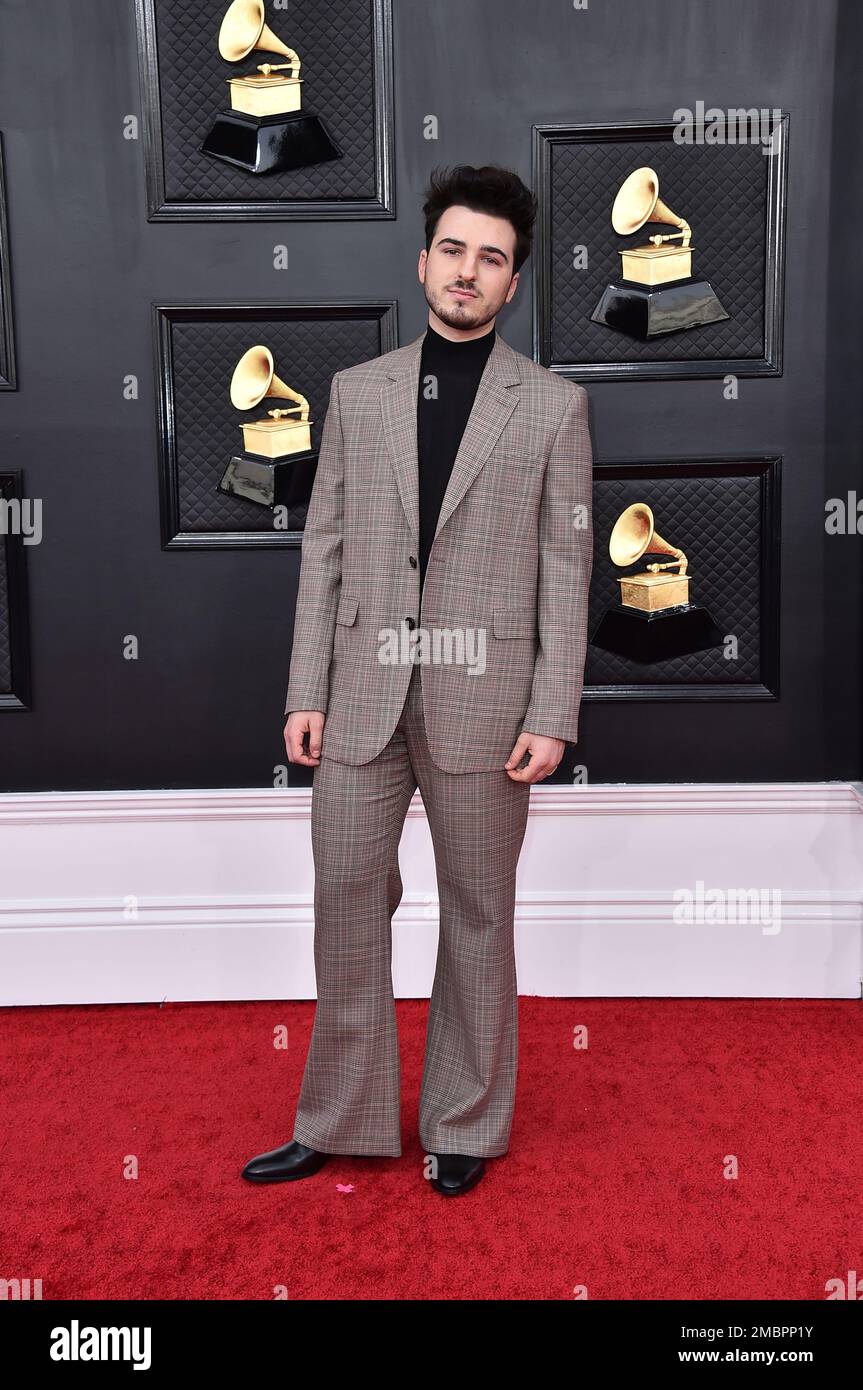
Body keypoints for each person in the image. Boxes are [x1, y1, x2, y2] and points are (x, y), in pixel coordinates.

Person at [243, 164, 593, 1196]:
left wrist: (553, 708)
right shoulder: (357, 393)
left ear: (511, 281)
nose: (467, 271)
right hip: (359, 693)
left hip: (487, 703)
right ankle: (341, 1120)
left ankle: (463, 1125)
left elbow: (567, 568)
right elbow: (327, 547)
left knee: (476, 912)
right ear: (423, 259)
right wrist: (303, 687)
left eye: (490, 258)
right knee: (345, 898)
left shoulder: (552, 408)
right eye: (453, 249)